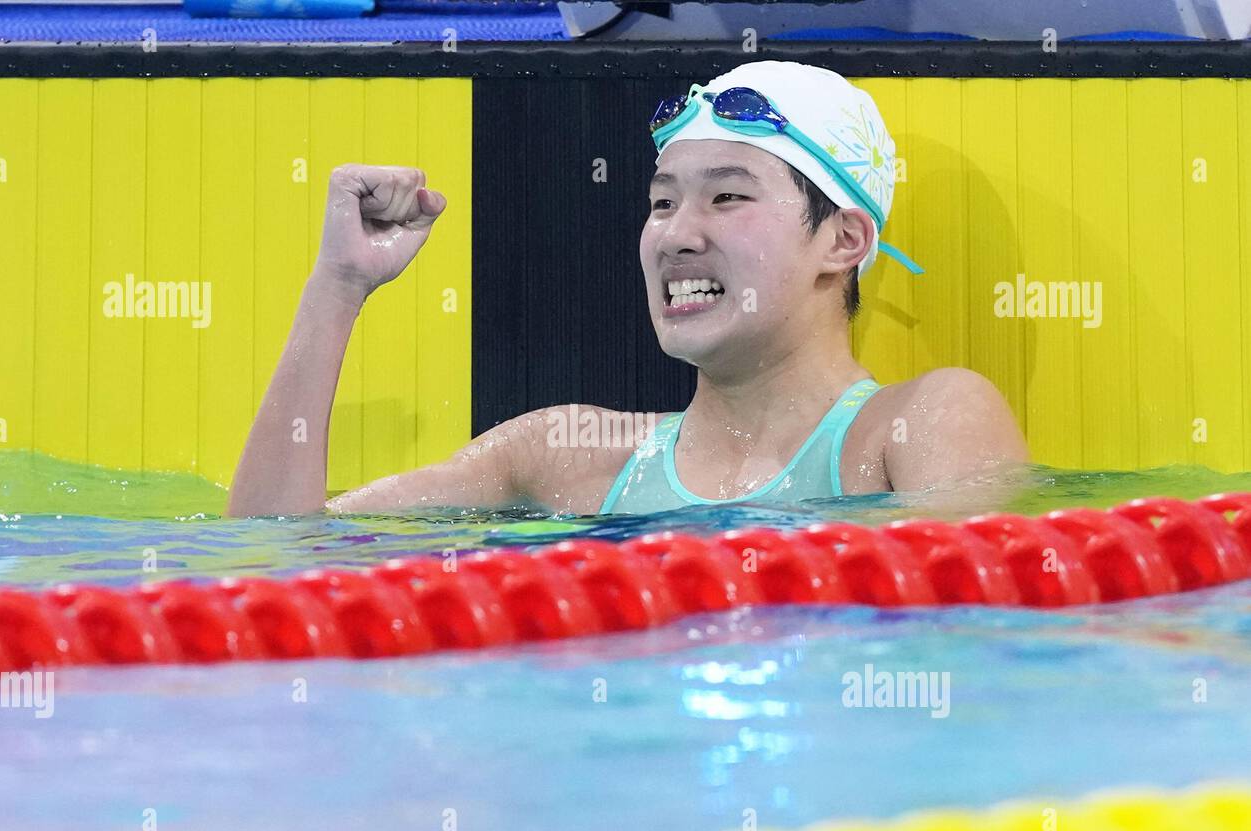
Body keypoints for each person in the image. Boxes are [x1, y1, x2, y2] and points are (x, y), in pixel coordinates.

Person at [227, 60, 1028, 519]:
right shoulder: (564, 455)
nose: (676, 234)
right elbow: (276, 558)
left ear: (843, 240)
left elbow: (969, 635)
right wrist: (338, 286)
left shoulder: (917, 425)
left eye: (728, 197)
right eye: (661, 201)